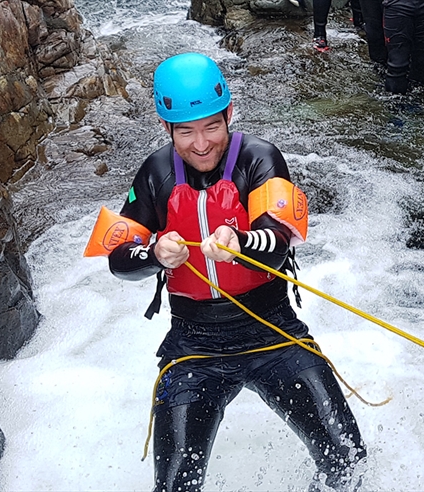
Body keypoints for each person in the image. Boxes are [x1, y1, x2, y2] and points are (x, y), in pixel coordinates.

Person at [106, 52, 367, 491]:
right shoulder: (154, 173)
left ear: (229, 113)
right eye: (185, 131)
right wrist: (154, 254)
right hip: (194, 345)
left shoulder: (260, 158)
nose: (201, 143)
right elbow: (118, 259)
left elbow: (277, 244)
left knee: (348, 460)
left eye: (211, 125)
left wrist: (239, 241)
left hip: (273, 331)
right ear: (166, 127)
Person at [381, 0, 424, 93]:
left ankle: (418, 101)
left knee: (421, 61)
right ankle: (394, 104)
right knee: (397, 64)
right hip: (397, 6)